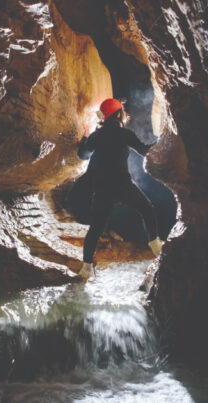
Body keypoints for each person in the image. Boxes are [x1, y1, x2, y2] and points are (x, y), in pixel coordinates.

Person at [77, 98, 163, 280]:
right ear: (118, 114)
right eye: (122, 110)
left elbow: (83, 155)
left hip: (102, 188)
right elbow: (144, 150)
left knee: (95, 228)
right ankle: (155, 245)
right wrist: (161, 142)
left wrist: (85, 136)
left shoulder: (97, 135)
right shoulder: (124, 133)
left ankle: (86, 269)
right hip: (122, 184)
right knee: (147, 209)